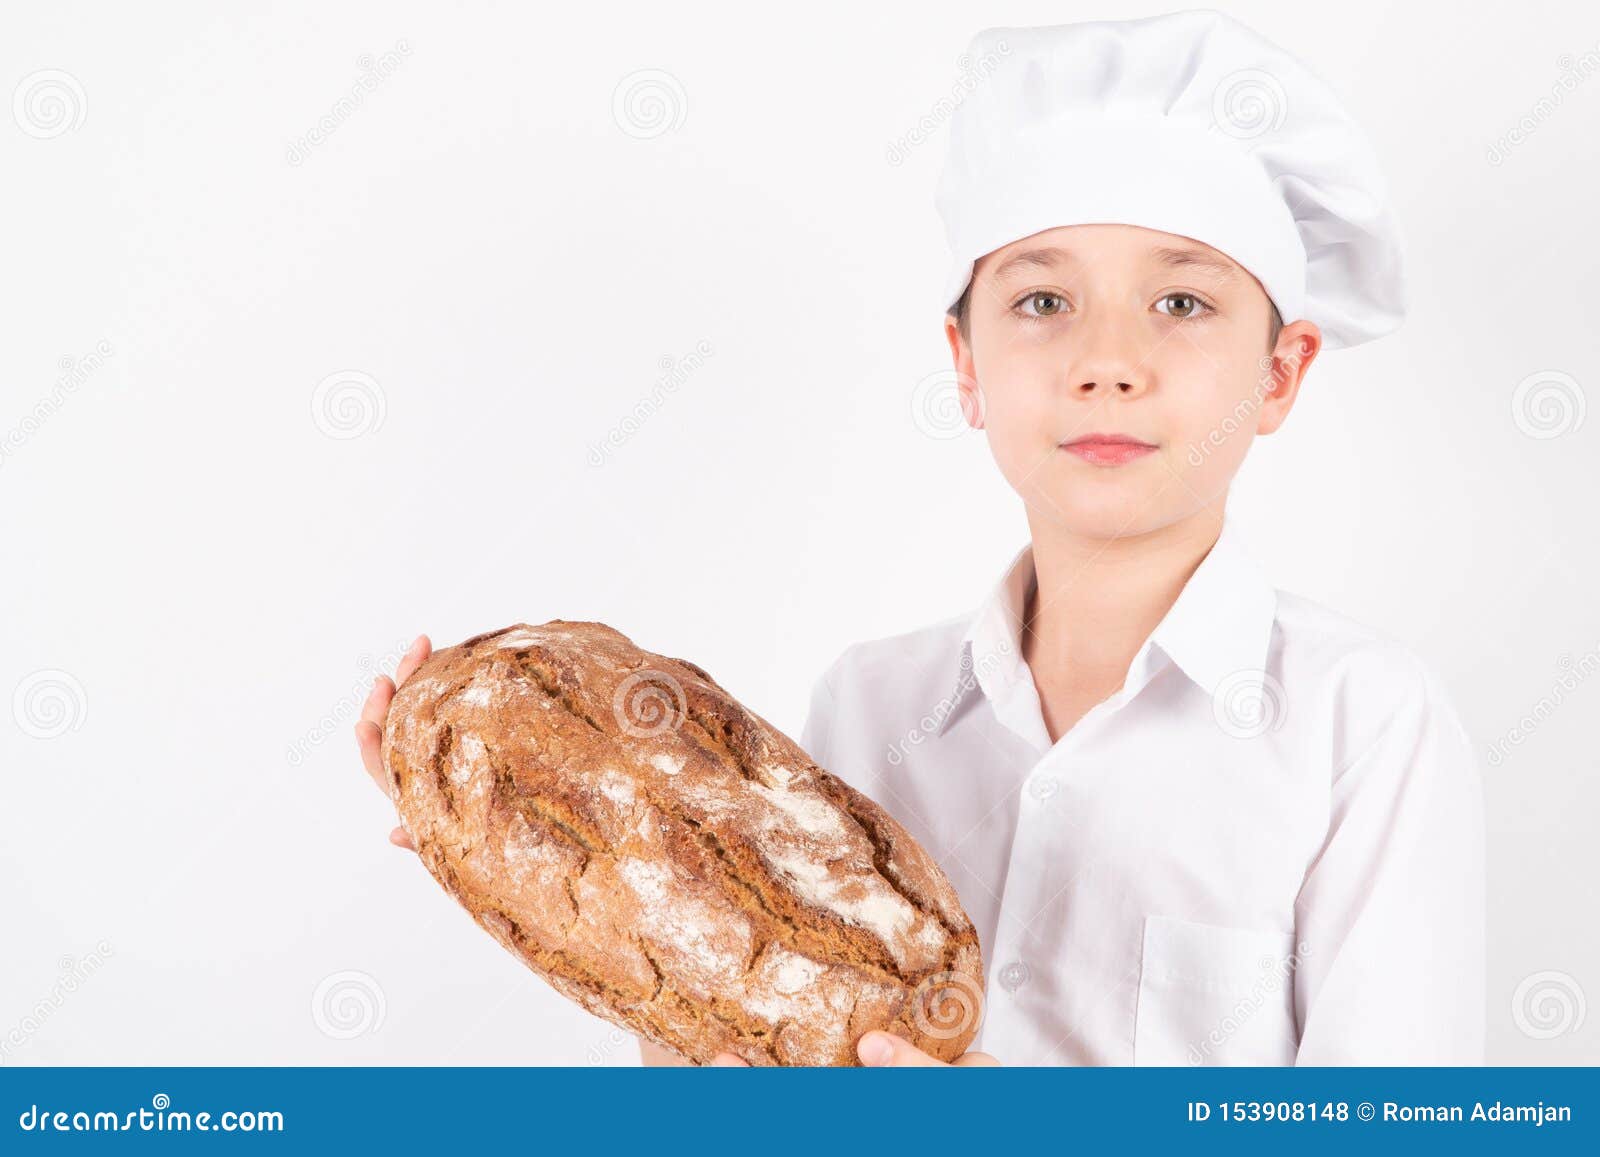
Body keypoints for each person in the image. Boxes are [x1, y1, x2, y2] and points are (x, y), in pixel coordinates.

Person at [356, 9, 1485, 1067]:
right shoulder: (870, 706)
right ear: (965, 366)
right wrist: (545, 869)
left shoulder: (1362, 726)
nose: (1107, 361)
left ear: (1280, 372)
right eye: (1043, 302)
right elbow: (763, 1065)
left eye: (1181, 303)